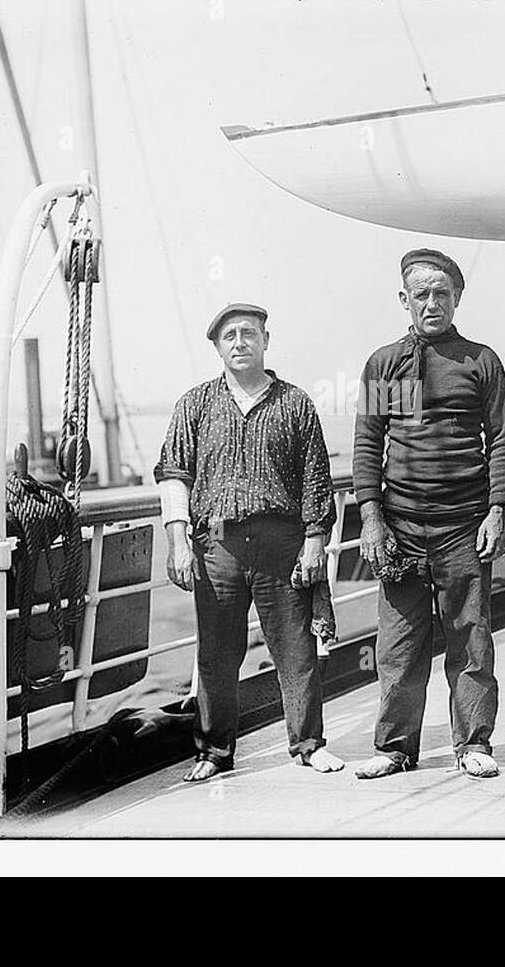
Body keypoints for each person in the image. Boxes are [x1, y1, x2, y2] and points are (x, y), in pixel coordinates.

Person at [155, 303, 343, 781]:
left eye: (248, 333)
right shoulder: (194, 404)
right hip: (216, 540)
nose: (239, 342)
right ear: (217, 347)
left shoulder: (296, 403)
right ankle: (214, 751)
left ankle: (308, 743)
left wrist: (316, 541)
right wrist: (178, 541)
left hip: (281, 540)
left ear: (265, 340)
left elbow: (315, 480)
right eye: (229, 336)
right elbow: (174, 474)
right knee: (217, 653)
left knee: (295, 649)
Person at [352, 248, 505, 780]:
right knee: (398, 645)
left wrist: (498, 511)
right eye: (420, 294)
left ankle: (473, 744)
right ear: (404, 299)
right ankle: (395, 747)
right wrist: (371, 519)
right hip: (400, 527)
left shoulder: (480, 361)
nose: (431, 303)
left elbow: (503, 444)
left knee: (470, 639)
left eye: (441, 293)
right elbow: (367, 444)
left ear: (457, 298)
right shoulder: (384, 363)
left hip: (463, 526)